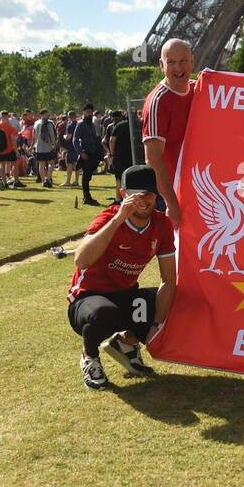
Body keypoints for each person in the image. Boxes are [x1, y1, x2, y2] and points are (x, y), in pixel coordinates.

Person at [66, 165, 176, 389]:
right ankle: (89, 357)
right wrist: (118, 219)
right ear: (124, 194)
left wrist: (155, 325)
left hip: (125, 294)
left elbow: (168, 280)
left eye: (150, 195)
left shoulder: (161, 224)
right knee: (105, 313)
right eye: (137, 196)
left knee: (177, 299)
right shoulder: (108, 217)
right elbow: (81, 260)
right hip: (88, 298)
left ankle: (125, 344)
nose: (144, 202)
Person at [141, 38, 196, 225]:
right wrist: (171, 203)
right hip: (176, 194)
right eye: (171, 62)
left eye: (183, 61)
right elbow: (153, 158)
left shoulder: (200, 89)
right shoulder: (158, 102)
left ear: (192, 62)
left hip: (199, 186)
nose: (178, 68)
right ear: (161, 65)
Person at [73, 104, 103, 205]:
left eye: (91, 112)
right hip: (86, 153)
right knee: (86, 176)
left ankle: (87, 196)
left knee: (88, 175)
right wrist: (81, 153)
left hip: (93, 153)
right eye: (87, 112)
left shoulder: (92, 124)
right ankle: (86, 197)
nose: (89, 114)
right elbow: (75, 140)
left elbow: (95, 138)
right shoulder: (80, 124)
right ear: (84, 113)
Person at [33, 108, 58, 188]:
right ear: (43, 114)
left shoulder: (36, 123)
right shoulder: (49, 123)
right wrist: (54, 144)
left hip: (38, 147)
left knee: (41, 164)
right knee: (51, 163)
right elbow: (52, 135)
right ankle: (48, 178)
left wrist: (33, 144)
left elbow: (34, 135)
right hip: (48, 147)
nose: (48, 115)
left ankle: (43, 181)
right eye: (47, 114)